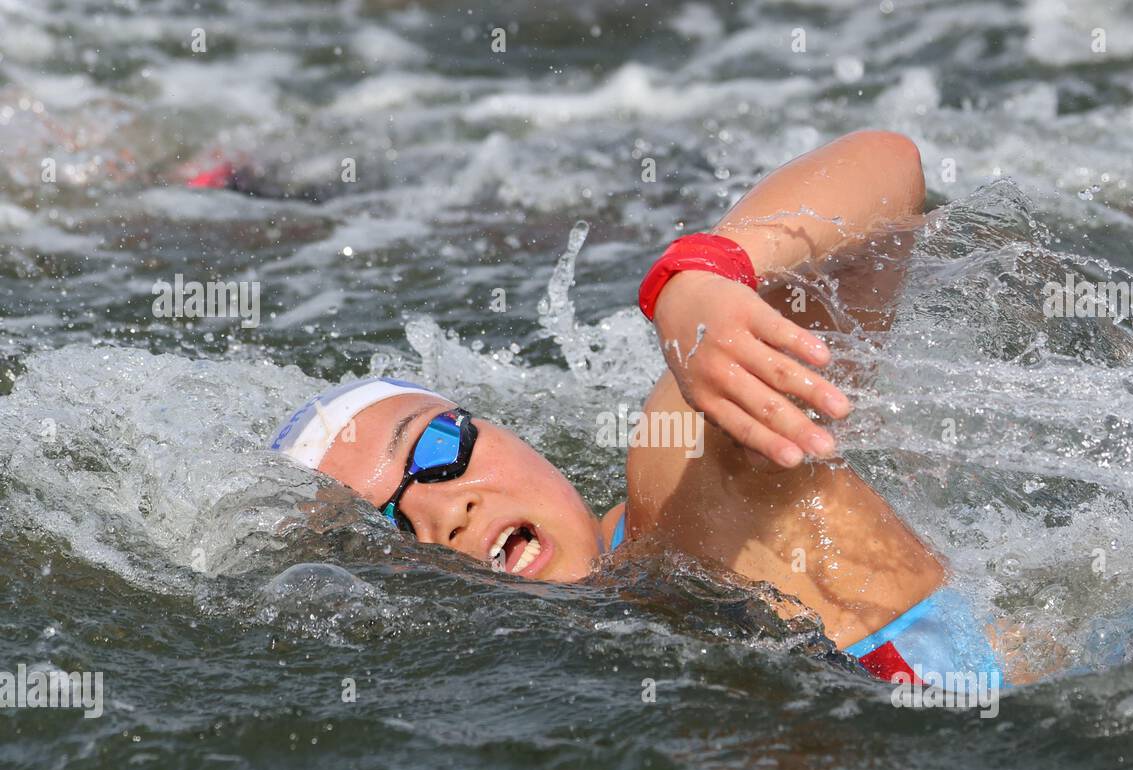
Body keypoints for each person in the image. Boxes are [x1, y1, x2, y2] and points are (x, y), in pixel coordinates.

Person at [270, 130, 1039, 688]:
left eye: (436, 450)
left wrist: (701, 278)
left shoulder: (683, 471)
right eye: (392, 523)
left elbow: (887, 165)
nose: (447, 512)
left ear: (503, 430)